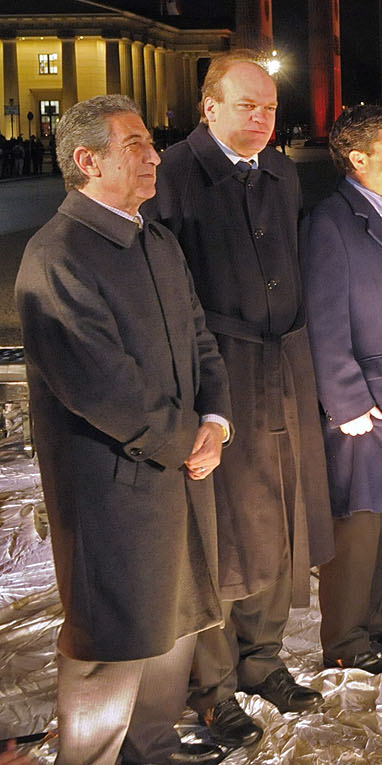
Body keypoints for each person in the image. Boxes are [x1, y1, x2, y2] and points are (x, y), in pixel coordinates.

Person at [16, 95, 230, 765]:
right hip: (112, 490)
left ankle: (152, 749)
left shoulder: (153, 238)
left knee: (173, 630)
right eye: (135, 143)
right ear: (88, 160)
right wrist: (185, 441)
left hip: (178, 473)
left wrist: (216, 421)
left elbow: (200, 337)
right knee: (110, 645)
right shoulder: (58, 256)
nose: (154, 154)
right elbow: (101, 384)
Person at [148, 52, 331, 748]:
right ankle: (213, 686)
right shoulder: (173, 174)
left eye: (269, 108)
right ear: (210, 108)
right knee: (223, 534)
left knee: (281, 518)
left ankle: (264, 658)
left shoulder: (281, 172)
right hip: (217, 374)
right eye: (245, 106)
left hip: (284, 364)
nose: (260, 119)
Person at [301, 105, 382, 674]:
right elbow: (323, 319)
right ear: (357, 159)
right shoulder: (330, 221)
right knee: (356, 523)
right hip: (365, 406)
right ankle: (346, 642)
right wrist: (347, 402)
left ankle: (374, 625)